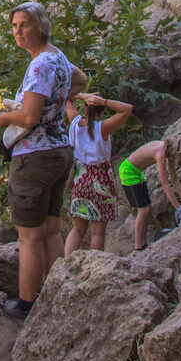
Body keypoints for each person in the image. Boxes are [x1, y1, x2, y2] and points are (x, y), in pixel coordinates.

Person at [0, 1, 88, 321]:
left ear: (41, 26)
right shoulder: (57, 58)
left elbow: (30, 117)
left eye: (25, 25)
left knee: (29, 235)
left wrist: (5, 117)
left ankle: (26, 305)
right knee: (49, 229)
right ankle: (54, 292)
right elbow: (81, 80)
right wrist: (58, 99)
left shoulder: (39, 65)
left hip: (35, 156)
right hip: (60, 150)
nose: (18, 31)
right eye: (15, 26)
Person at [64, 92, 133, 256]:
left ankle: (65, 262)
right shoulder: (103, 128)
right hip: (100, 180)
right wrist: (105, 101)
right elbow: (127, 109)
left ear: (85, 107)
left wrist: (81, 94)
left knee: (77, 229)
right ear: (102, 111)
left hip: (80, 177)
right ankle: (93, 266)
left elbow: (67, 95)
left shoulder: (75, 123)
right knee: (97, 232)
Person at [118, 137, 181, 252]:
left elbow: (174, 179)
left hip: (137, 173)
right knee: (143, 210)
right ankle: (138, 247)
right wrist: (179, 208)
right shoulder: (160, 153)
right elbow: (165, 185)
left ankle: (143, 244)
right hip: (128, 172)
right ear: (177, 154)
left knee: (148, 209)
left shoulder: (171, 150)